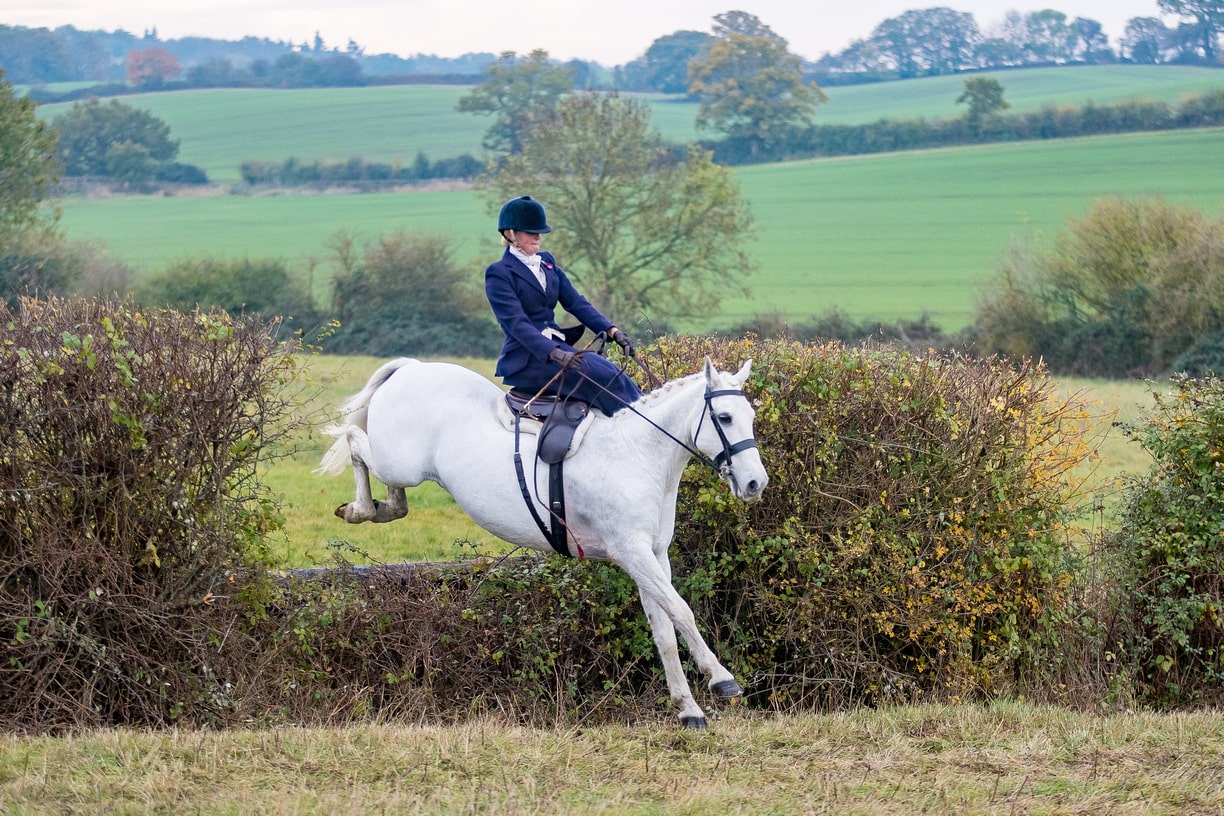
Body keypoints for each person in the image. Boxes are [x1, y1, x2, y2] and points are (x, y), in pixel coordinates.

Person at [485, 195, 643, 416]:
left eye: (540, 231)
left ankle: (644, 415)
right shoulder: (499, 273)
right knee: (598, 374)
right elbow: (517, 324)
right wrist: (553, 353)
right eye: (531, 232)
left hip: (559, 349)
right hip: (529, 359)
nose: (538, 236)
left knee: (612, 371)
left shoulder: (547, 263)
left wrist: (612, 331)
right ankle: (631, 422)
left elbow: (576, 303)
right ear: (510, 234)